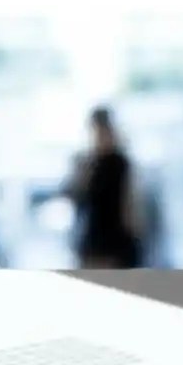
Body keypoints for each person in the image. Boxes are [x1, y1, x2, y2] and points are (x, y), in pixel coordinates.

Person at [64, 106, 143, 268]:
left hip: (115, 244)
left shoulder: (120, 164)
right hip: (93, 242)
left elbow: (129, 207)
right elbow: (75, 196)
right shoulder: (86, 163)